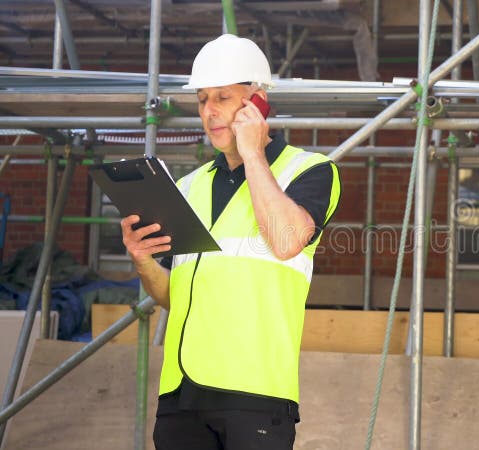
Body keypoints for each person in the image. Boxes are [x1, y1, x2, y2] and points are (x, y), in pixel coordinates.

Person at [120, 34, 340, 450]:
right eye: (202, 99)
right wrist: (144, 262)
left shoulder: (310, 171)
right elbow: (176, 297)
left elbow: (288, 239)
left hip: (254, 396)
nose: (209, 111)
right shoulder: (187, 187)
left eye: (222, 97)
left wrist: (252, 153)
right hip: (180, 398)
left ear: (257, 102)